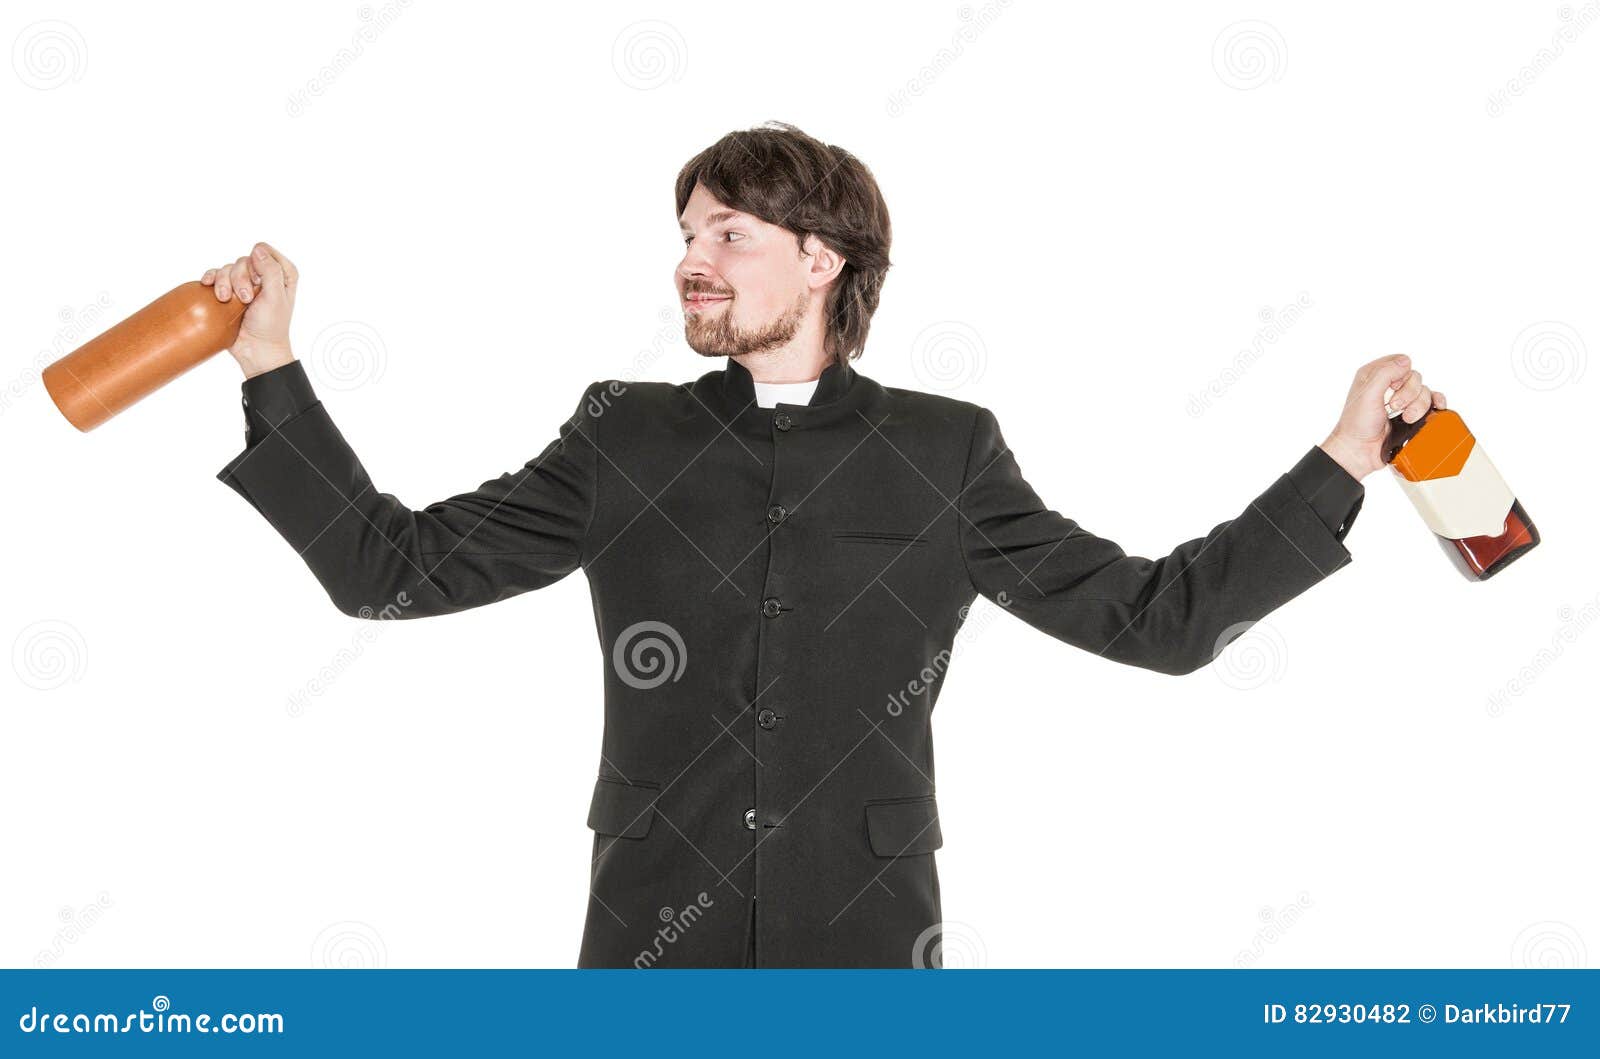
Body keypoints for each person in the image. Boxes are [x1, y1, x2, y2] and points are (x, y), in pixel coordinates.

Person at [207, 122, 1442, 968]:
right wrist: (270, 365)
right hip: (649, 945)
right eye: (687, 233)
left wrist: (1338, 460)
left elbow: (1159, 623)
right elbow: (391, 573)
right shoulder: (619, 436)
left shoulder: (945, 450)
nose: (691, 261)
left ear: (823, 258)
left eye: (728, 232)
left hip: (868, 947)